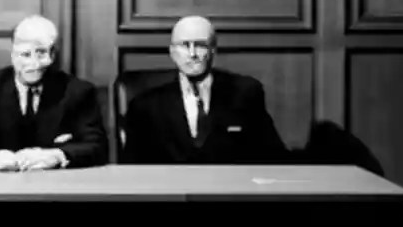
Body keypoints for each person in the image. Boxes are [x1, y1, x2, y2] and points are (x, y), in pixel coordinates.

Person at [121, 15, 287, 164]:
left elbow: (272, 156)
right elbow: (132, 169)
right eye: (184, 45)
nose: (192, 54)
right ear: (172, 52)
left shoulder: (245, 93)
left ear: (213, 50)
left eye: (200, 45)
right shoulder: (145, 105)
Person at [0, 15, 108, 171]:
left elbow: (97, 146)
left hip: (56, 185)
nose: (34, 64)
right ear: (13, 55)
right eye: (25, 55)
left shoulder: (78, 92)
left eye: (41, 53)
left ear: (52, 56)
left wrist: (57, 155)